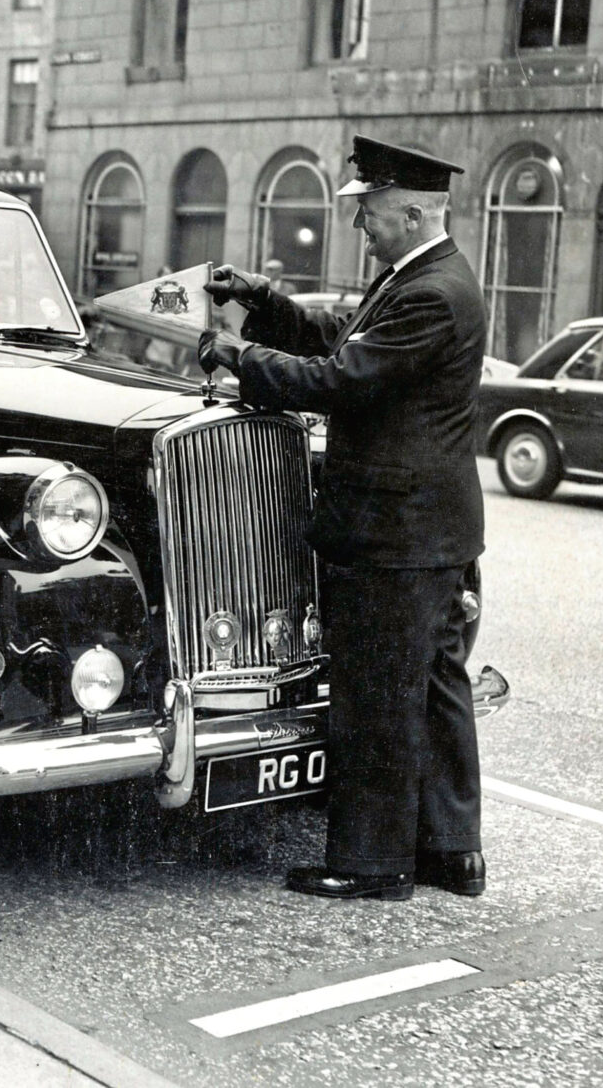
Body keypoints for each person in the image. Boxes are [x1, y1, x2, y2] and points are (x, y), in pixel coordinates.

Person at [198, 135, 487, 902]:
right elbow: (341, 341)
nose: (360, 225)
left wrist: (236, 356)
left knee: (379, 699)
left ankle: (370, 863)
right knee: (434, 689)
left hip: (396, 532)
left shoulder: (430, 292)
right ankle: (452, 853)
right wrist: (264, 302)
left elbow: (345, 378)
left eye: (372, 211)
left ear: (417, 212)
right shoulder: (421, 277)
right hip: (429, 528)